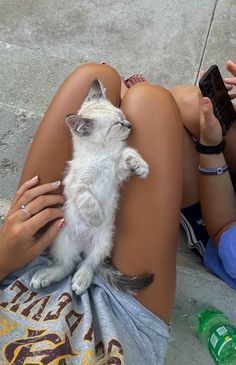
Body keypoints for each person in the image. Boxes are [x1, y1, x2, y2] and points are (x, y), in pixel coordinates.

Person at [0, 63, 184, 364]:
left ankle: (119, 108)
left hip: (19, 274)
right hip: (117, 318)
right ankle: (131, 111)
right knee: (151, 103)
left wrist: (2, 256)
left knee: (94, 77)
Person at [171, 60, 236, 290]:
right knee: (192, 103)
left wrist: (211, 149)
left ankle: (137, 103)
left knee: (163, 123)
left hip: (221, 227)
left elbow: (224, 226)